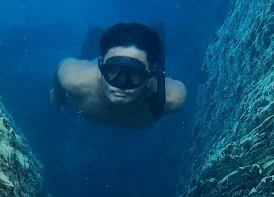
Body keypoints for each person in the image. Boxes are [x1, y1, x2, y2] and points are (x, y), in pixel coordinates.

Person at [49, 22, 187, 128]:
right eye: (113, 71)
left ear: (151, 79)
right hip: (90, 63)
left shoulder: (170, 98)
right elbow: (62, 65)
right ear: (100, 68)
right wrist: (57, 91)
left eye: (135, 73)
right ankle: (94, 33)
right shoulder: (74, 80)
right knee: (87, 54)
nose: (121, 83)